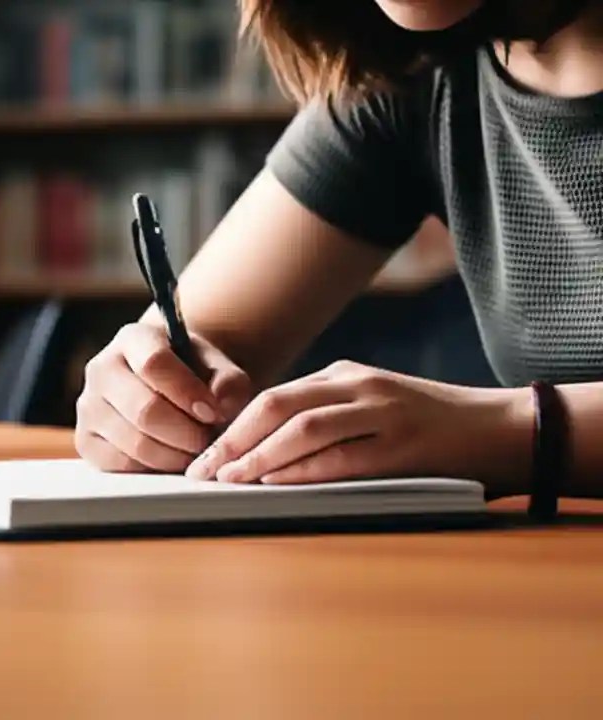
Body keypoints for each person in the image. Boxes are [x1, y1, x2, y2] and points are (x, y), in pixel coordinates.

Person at [74, 0, 603, 501]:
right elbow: (200, 343)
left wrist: (506, 433)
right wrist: (142, 397)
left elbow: (504, 435)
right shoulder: (421, 75)